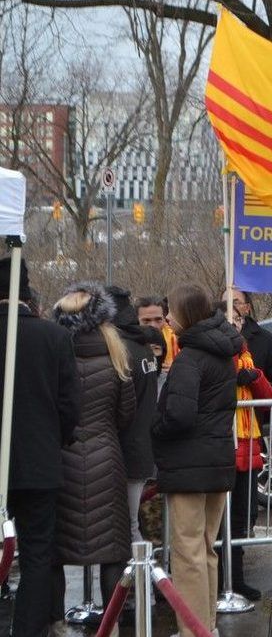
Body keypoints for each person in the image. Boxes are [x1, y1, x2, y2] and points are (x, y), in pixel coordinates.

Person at [152, 284, 241, 637]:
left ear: (186, 314)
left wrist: (154, 427)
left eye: (171, 310)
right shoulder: (221, 353)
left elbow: (180, 415)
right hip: (217, 459)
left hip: (189, 464)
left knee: (188, 552)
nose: (167, 317)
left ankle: (193, 630)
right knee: (205, 548)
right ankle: (206, 626)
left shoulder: (190, 357)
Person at [0, 257, 80, 635]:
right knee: (36, 555)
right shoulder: (54, 337)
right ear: (26, 293)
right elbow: (70, 406)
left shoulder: (50, 336)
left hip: (27, 460)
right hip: (38, 462)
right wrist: (55, 440)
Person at [50, 283, 136, 626]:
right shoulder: (116, 351)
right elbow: (125, 413)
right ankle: (111, 624)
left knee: (53, 550)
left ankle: (53, 623)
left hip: (60, 459)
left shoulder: (52, 352)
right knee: (113, 548)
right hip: (106, 456)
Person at [223, 303, 272, 601]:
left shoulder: (247, 356)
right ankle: (221, 580)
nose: (234, 324)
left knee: (242, 519)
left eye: (238, 319)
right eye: (229, 319)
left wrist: (254, 376)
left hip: (249, 442)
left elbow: (268, 399)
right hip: (225, 444)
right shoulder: (215, 356)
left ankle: (237, 578)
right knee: (222, 520)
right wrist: (232, 376)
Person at [106, 285, 163, 544]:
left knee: (128, 529)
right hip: (141, 447)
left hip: (128, 448)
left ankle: (139, 582)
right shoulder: (143, 347)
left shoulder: (122, 349)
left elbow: (123, 406)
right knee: (133, 526)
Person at [222, 287, 272, 384]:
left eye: (235, 303)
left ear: (247, 308)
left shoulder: (263, 338)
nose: (229, 307)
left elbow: (271, 378)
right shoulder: (212, 336)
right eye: (225, 303)